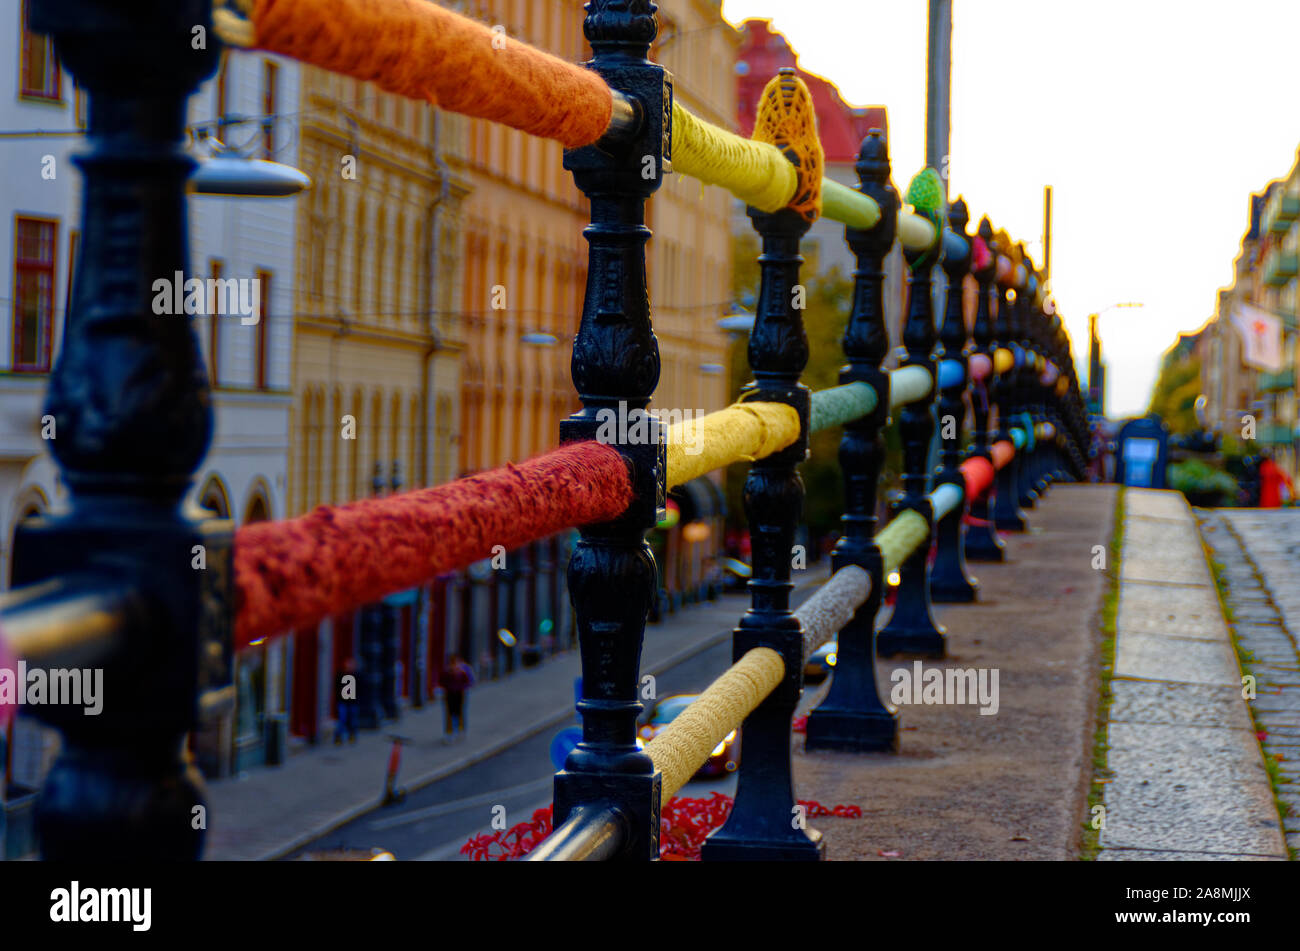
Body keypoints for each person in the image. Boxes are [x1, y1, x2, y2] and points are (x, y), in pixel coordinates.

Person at [439, 654, 475, 742]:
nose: (455, 665)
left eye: (457, 663)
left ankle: (460, 730)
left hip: (460, 693)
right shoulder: (447, 671)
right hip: (449, 693)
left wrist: (461, 676)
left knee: (460, 712)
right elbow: (442, 681)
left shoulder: (464, 670)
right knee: (449, 713)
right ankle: (450, 732)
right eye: (453, 663)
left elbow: (470, 681)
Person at [334, 657, 360, 744]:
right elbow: (337, 687)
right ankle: (338, 736)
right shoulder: (341, 675)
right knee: (342, 719)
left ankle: (352, 735)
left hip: (353, 702)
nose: (350, 667)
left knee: (353, 720)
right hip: (343, 701)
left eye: (352, 665)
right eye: (348, 664)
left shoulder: (356, 676)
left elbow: (360, 688)